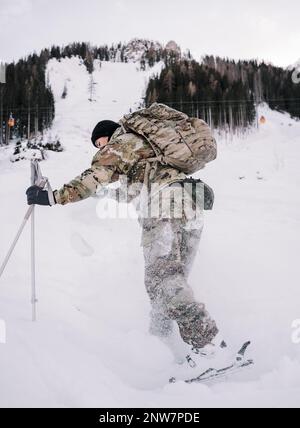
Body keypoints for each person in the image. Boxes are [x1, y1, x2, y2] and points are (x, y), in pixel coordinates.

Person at [26, 110, 218, 353]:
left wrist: (53, 197)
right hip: (190, 207)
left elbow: (94, 176)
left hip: (164, 207)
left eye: (99, 143)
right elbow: (131, 192)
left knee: (162, 279)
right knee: (171, 280)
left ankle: (209, 347)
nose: (98, 148)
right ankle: (162, 345)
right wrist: (103, 194)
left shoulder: (120, 144)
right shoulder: (145, 146)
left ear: (107, 136)